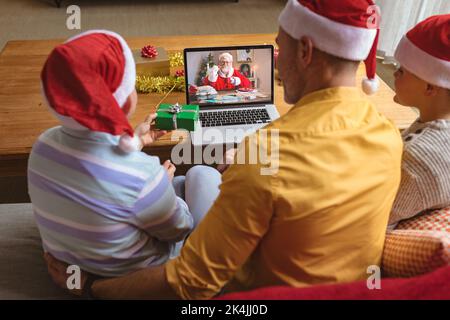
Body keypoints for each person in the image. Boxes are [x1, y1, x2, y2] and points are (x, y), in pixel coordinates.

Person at [45, 0, 403, 300]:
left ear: (306, 51)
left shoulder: (266, 154)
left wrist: (92, 286)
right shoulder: (388, 135)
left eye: (281, 47)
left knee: (193, 175)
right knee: (202, 173)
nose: (276, 60)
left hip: (255, 298)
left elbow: (189, 283)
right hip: (345, 288)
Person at [29, 30, 199, 277]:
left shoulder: (42, 146)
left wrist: (136, 141)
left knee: (183, 183)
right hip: (132, 278)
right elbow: (180, 229)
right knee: (196, 178)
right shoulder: (144, 175)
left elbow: (103, 169)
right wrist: (163, 186)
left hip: (70, 267)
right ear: (126, 102)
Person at [388, 14, 450, 228]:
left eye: (402, 70)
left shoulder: (417, 160)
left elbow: (377, 217)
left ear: (430, 87)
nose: (394, 73)